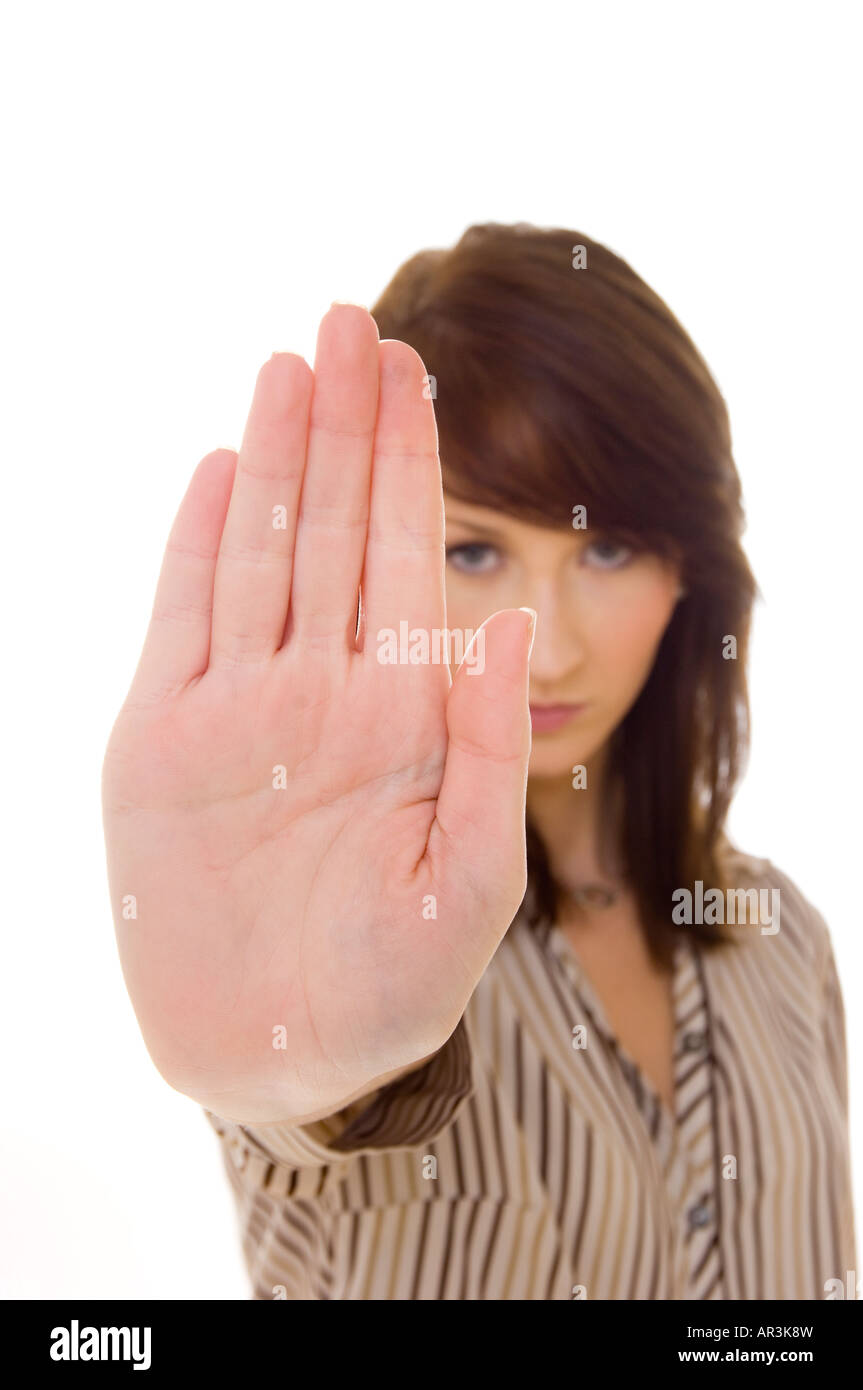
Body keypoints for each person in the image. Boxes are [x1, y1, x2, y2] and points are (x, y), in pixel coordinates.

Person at [102, 222, 856, 1300]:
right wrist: (302, 1072)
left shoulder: (785, 945)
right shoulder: (356, 929)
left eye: (606, 549)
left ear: (690, 572)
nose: (545, 645)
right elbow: (314, 1118)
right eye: (471, 550)